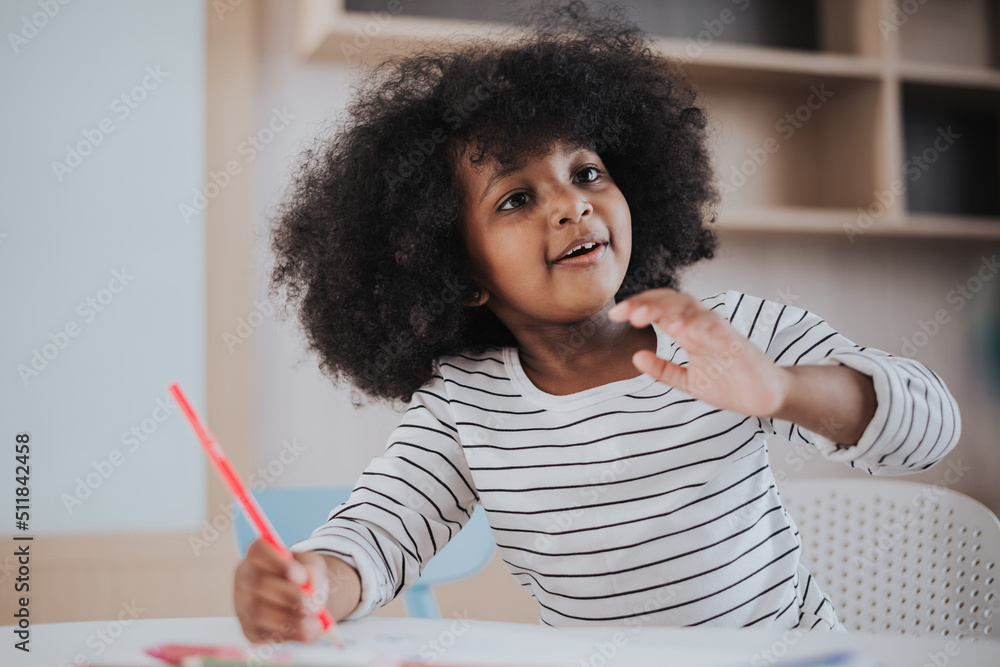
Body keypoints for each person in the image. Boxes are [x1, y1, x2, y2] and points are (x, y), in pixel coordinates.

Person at [233, 0, 961, 644]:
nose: (571, 204)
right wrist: (312, 584)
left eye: (587, 173)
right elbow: (377, 535)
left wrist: (782, 390)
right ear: (458, 273)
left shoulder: (727, 333)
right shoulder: (464, 404)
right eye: (516, 199)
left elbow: (931, 430)